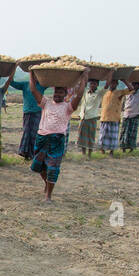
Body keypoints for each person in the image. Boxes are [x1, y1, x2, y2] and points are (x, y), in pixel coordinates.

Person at [30, 70, 89, 201]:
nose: (57, 94)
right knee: (39, 166)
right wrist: (31, 74)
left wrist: (83, 79)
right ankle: (47, 183)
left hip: (56, 140)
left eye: (61, 92)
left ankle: (48, 195)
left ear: (65, 94)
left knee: (53, 168)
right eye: (56, 92)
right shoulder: (46, 103)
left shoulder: (68, 107)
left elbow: (79, 95)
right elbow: (33, 90)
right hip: (42, 137)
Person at [11, 73, 45, 160]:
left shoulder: (42, 85)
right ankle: (25, 153)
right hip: (27, 112)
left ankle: (34, 154)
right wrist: (13, 69)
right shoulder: (25, 84)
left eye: (37, 76)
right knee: (27, 133)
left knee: (35, 133)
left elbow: (53, 83)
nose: (35, 78)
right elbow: (12, 82)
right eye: (34, 75)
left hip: (37, 112)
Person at [77, 78, 106, 156]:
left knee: (91, 136)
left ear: (97, 85)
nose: (92, 85)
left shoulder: (99, 93)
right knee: (82, 136)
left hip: (92, 117)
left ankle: (89, 154)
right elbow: (80, 85)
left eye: (94, 84)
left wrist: (111, 72)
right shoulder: (86, 92)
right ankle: (83, 153)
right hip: (83, 117)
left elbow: (107, 85)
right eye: (91, 83)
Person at [97, 76, 124, 155]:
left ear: (117, 84)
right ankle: (102, 150)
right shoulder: (105, 92)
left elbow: (131, 89)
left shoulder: (119, 93)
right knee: (103, 135)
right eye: (111, 83)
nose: (112, 84)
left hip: (114, 118)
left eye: (114, 83)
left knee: (113, 136)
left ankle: (111, 151)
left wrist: (124, 80)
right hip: (104, 117)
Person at [120, 79, 139, 152]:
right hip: (126, 115)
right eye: (133, 84)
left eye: (136, 85)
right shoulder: (127, 93)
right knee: (124, 132)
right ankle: (123, 148)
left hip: (135, 115)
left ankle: (131, 148)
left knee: (132, 133)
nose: (134, 86)